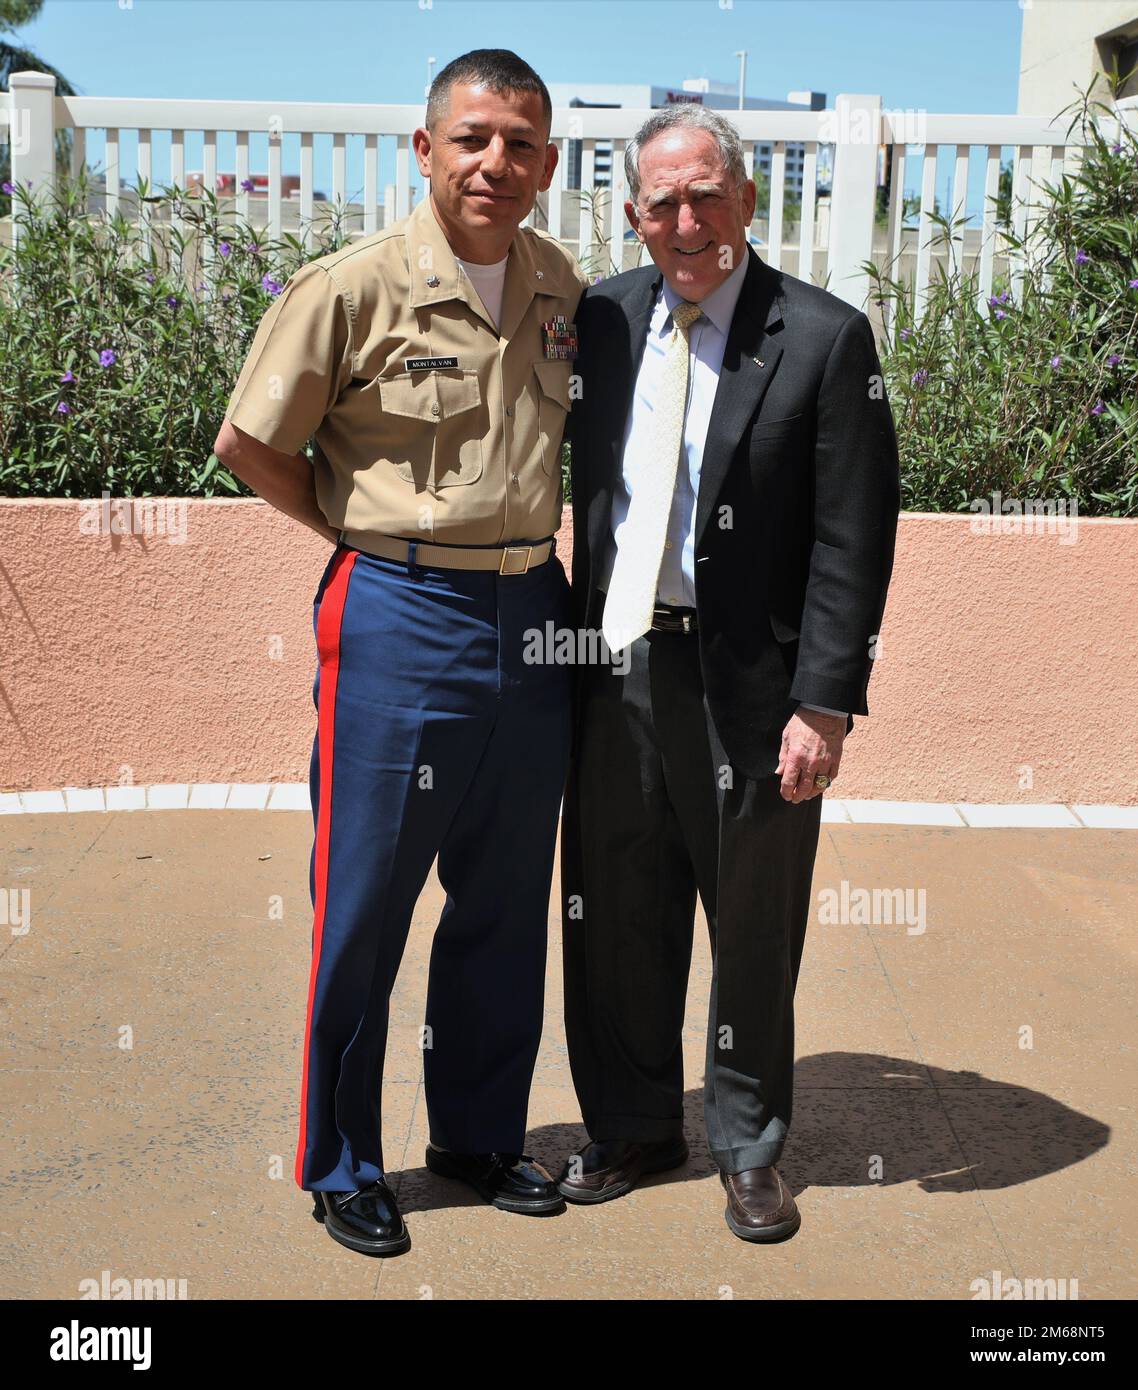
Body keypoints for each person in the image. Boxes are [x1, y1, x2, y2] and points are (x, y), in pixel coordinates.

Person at [214, 49, 585, 1257]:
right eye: (473, 137)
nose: (497, 161)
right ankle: (340, 1160)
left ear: (546, 163)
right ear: (424, 149)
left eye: (521, 142)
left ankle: (477, 1136)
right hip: (399, 614)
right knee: (364, 903)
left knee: (503, 896)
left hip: (534, 613)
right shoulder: (351, 288)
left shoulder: (560, 286)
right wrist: (359, 535)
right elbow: (251, 439)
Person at [556, 103, 900, 1241]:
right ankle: (635, 1123)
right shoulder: (599, 321)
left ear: (748, 200)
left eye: (708, 194)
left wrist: (824, 702)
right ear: (634, 213)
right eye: (664, 200)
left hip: (752, 684)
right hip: (612, 666)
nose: (688, 219)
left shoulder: (823, 335)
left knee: (752, 925)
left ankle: (749, 1146)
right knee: (615, 910)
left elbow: (854, 532)